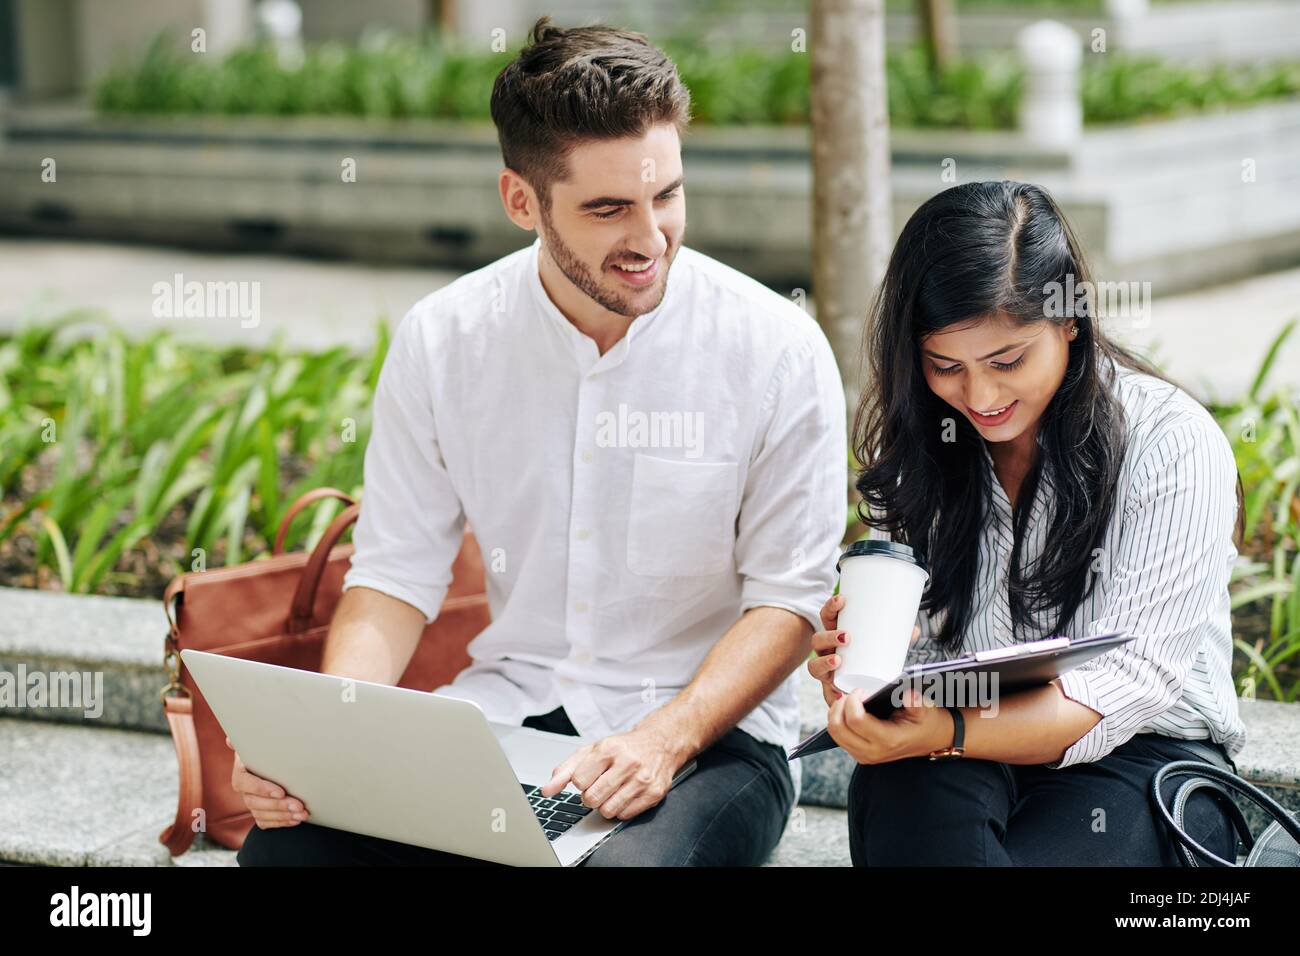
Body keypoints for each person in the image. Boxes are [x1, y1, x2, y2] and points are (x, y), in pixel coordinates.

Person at [233, 17, 847, 867]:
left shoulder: (777, 350)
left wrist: (664, 739)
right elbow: (395, 576)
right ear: (521, 200)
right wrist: (328, 750)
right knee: (285, 860)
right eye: (608, 209)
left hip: (711, 740)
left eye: (666, 194)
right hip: (505, 717)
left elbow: (789, 598)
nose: (649, 238)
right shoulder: (444, 339)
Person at [807, 180, 1247, 866]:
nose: (979, 396)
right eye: (944, 366)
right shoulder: (934, 447)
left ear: (1070, 320)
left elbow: (1127, 683)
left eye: (1007, 361)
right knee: (908, 795)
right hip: (960, 738)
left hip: (1140, 752)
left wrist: (947, 725)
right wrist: (861, 671)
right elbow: (930, 663)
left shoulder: (1170, 442)